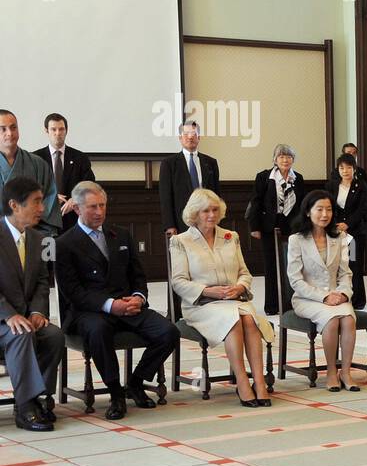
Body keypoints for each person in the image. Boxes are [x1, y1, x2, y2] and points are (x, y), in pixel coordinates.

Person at [54, 181, 179, 420]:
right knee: (99, 330)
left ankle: (136, 381)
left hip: (128, 305)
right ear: (77, 209)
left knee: (168, 332)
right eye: (92, 207)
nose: (99, 211)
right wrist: (111, 305)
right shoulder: (64, 244)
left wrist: (138, 298)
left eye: (102, 205)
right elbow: (73, 292)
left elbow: (138, 275)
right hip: (89, 311)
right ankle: (115, 394)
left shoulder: (120, 234)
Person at [169, 189, 275, 407]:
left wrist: (239, 287)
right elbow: (178, 281)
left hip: (233, 300)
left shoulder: (230, 236)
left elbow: (245, 272)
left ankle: (260, 381)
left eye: (215, 209)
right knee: (236, 319)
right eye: (205, 210)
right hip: (201, 304)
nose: (211, 215)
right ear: (195, 213)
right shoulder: (181, 241)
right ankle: (243, 383)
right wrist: (208, 291)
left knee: (248, 319)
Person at [0, 177, 64, 432]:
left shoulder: (39, 239)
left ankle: (40, 399)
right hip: (4, 320)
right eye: (36, 202)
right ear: (14, 205)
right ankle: (25, 408)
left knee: (54, 335)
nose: (42, 208)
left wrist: (38, 312)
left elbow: (41, 282)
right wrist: (8, 315)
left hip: (26, 317)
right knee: (21, 335)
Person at [288, 190, 362, 393]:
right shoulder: (297, 240)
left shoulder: (339, 237)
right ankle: (331, 372)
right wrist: (324, 296)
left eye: (328, 210)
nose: (324, 214)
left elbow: (346, 273)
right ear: (307, 212)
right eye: (319, 209)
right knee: (332, 321)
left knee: (348, 319)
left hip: (337, 295)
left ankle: (345, 372)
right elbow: (295, 280)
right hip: (307, 298)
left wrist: (343, 294)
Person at [249, 144, 307, 315]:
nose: (285, 160)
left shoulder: (298, 178)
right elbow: (256, 202)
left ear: (293, 160)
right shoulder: (264, 177)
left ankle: (290, 303)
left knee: (292, 265)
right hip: (269, 226)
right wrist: (255, 227)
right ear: (275, 159)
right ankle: (272, 305)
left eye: (288, 157)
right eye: (281, 156)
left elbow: (303, 205)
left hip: (292, 227)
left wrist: (303, 227)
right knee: (271, 266)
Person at [0, 109, 61, 237]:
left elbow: (49, 207)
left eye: (13, 127)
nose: (10, 133)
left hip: (35, 237)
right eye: (3, 129)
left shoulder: (38, 164)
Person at [32, 113, 95, 233]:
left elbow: (90, 185)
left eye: (61, 129)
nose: (58, 133)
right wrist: (50, 198)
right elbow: (29, 188)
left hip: (74, 221)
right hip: (44, 222)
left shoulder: (80, 158)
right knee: (48, 252)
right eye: (53, 129)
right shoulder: (35, 158)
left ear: (66, 131)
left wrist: (75, 199)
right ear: (46, 131)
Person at [160, 122, 220, 238]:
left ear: (199, 137)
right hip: (181, 222)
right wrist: (170, 225)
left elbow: (216, 194)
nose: (190, 137)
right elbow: (165, 198)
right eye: (186, 133)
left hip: (207, 220)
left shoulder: (211, 162)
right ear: (180, 138)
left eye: (194, 133)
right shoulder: (169, 164)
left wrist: (216, 220)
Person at [329, 152, 367, 309]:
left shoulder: (361, 186)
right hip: (335, 231)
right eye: (341, 168)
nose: (345, 171)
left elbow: (362, 209)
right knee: (337, 264)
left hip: (355, 232)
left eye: (348, 168)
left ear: (354, 169)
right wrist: (336, 225)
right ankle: (340, 295)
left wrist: (347, 224)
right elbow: (329, 206)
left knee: (354, 264)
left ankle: (358, 300)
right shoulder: (332, 185)